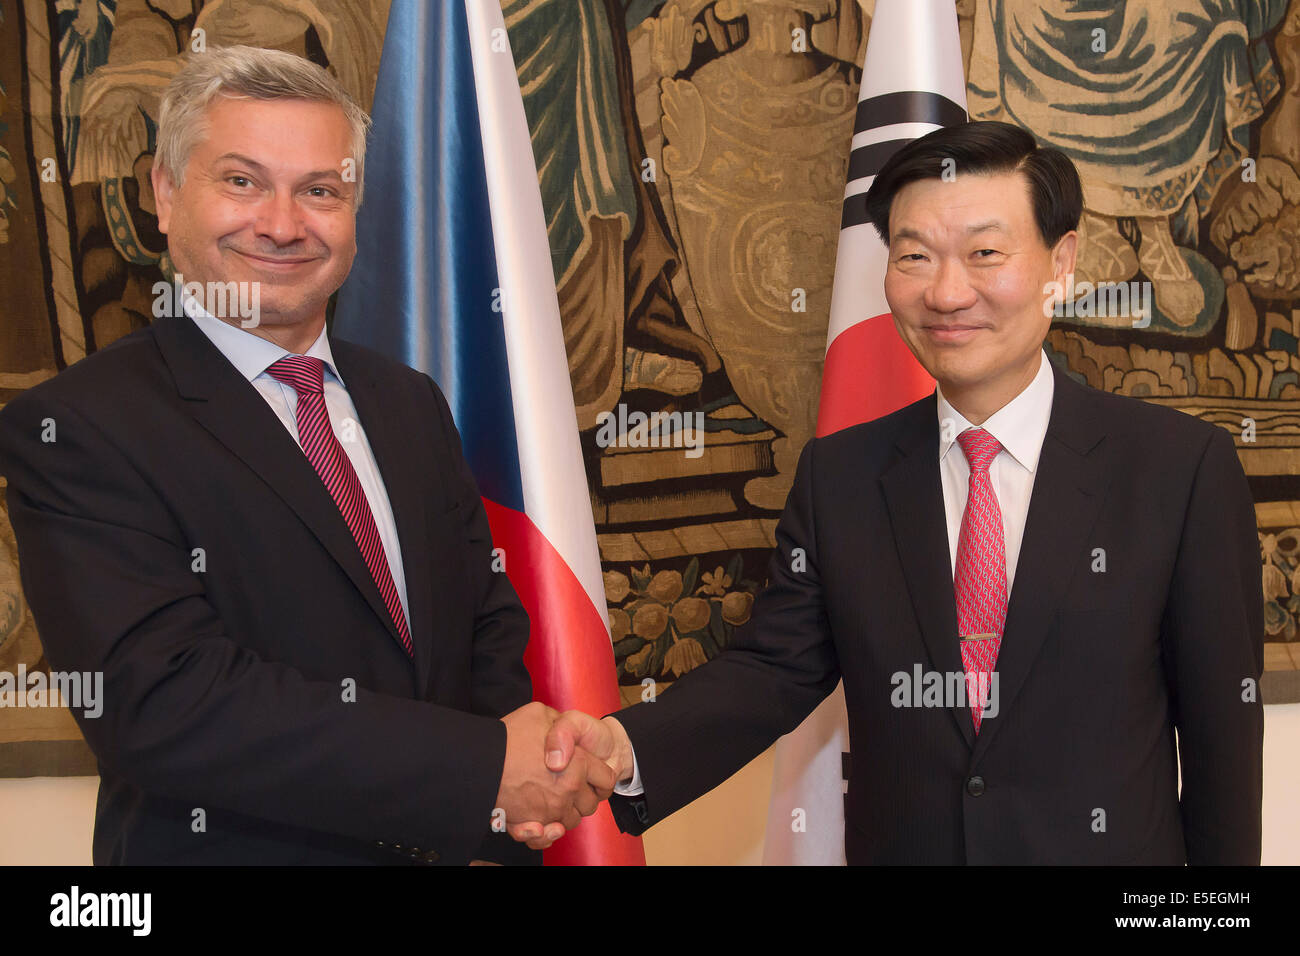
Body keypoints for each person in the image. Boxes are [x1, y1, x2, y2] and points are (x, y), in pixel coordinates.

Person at [524, 121, 1265, 864]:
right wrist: (622, 745)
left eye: (984, 253)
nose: (946, 291)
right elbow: (772, 671)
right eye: (914, 255)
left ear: (1060, 262)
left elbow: (1221, 745)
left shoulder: (1177, 469)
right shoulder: (842, 475)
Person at [0, 45, 614, 865]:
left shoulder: (409, 402)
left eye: (320, 191)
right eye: (242, 181)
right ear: (165, 192)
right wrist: (475, 772)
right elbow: (166, 704)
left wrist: (514, 802)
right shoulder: (80, 428)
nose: (283, 224)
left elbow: (486, 626)